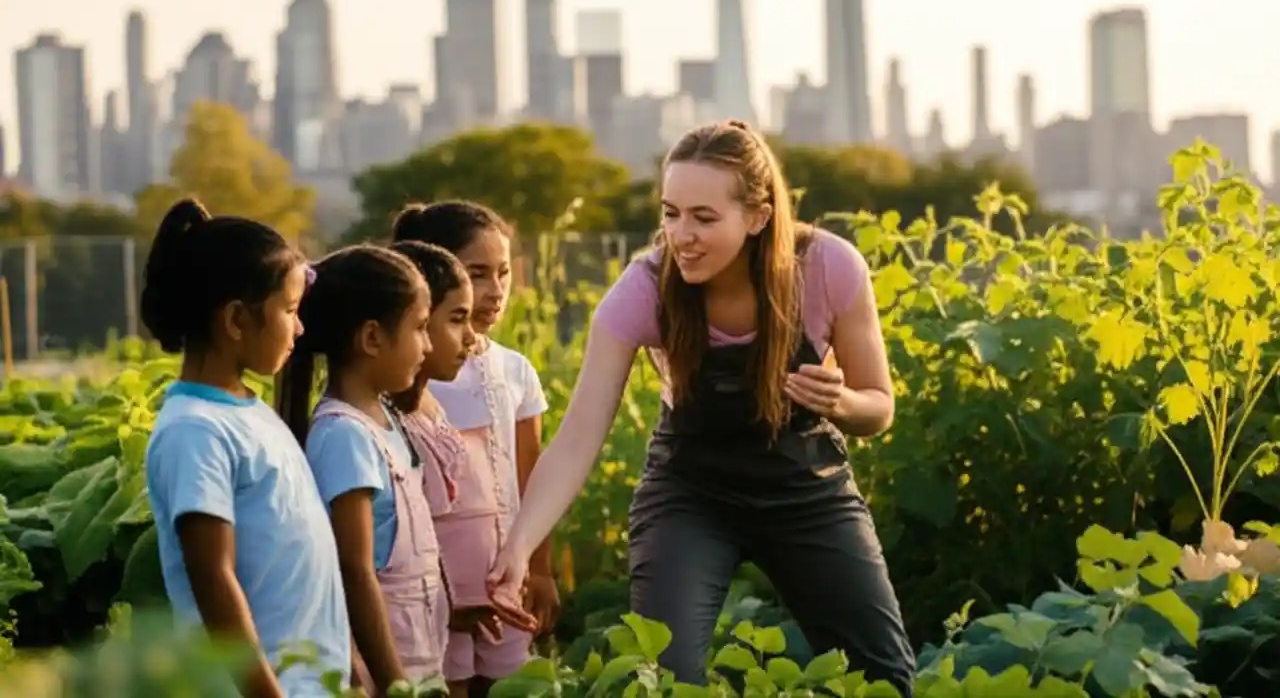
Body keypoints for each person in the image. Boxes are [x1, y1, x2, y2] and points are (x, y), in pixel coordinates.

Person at [486, 120, 917, 695]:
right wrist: (518, 545)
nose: (680, 235)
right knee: (668, 681)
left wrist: (840, 400)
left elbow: (879, 408)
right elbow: (577, 439)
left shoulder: (828, 269)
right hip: (691, 496)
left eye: (704, 217)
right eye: (670, 213)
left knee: (886, 678)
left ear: (759, 217)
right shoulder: (643, 290)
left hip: (806, 489)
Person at [141, 198, 350, 697]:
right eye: (291, 310)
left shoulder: (249, 412)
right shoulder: (194, 431)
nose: (300, 328)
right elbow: (214, 578)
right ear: (237, 320)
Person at [391, 202, 556, 696]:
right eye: (478, 274)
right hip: (438, 584)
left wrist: (540, 568)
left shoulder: (515, 370)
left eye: (503, 273)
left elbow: (533, 478)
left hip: (506, 576)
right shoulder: (415, 373)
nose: (496, 290)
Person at [277, 244, 443, 694]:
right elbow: (354, 570)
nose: (428, 345)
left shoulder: (385, 418)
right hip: (386, 674)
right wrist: (393, 684)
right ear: (372, 338)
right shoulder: (344, 436)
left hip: (420, 660)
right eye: (421, 328)